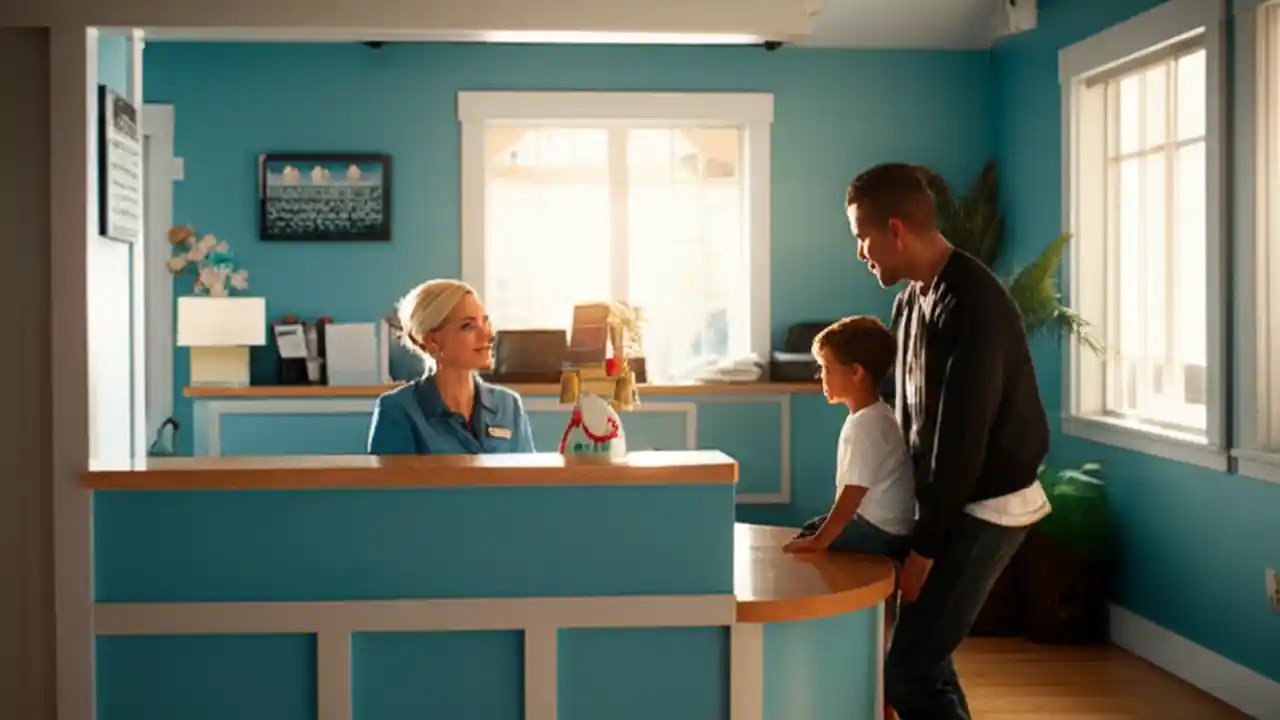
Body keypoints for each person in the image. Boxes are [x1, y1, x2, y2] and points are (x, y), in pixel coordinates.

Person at [845, 163, 1051, 720]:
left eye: (862, 237)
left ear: (895, 229)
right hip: (951, 502)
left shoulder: (974, 303)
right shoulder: (911, 302)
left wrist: (924, 551)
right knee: (925, 665)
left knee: (909, 673)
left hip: (988, 505)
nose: (860, 252)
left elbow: (962, 440)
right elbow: (910, 420)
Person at [782, 315, 914, 561]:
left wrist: (820, 541)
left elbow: (852, 495)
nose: (820, 376)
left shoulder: (865, 426)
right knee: (812, 528)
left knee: (806, 542)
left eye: (827, 368)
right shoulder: (878, 414)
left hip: (880, 534)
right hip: (888, 529)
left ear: (856, 372)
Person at [367, 279, 536, 454]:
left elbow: (527, 471)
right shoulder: (397, 409)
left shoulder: (508, 405)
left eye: (485, 323)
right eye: (468, 326)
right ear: (432, 341)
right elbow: (393, 473)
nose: (487, 335)